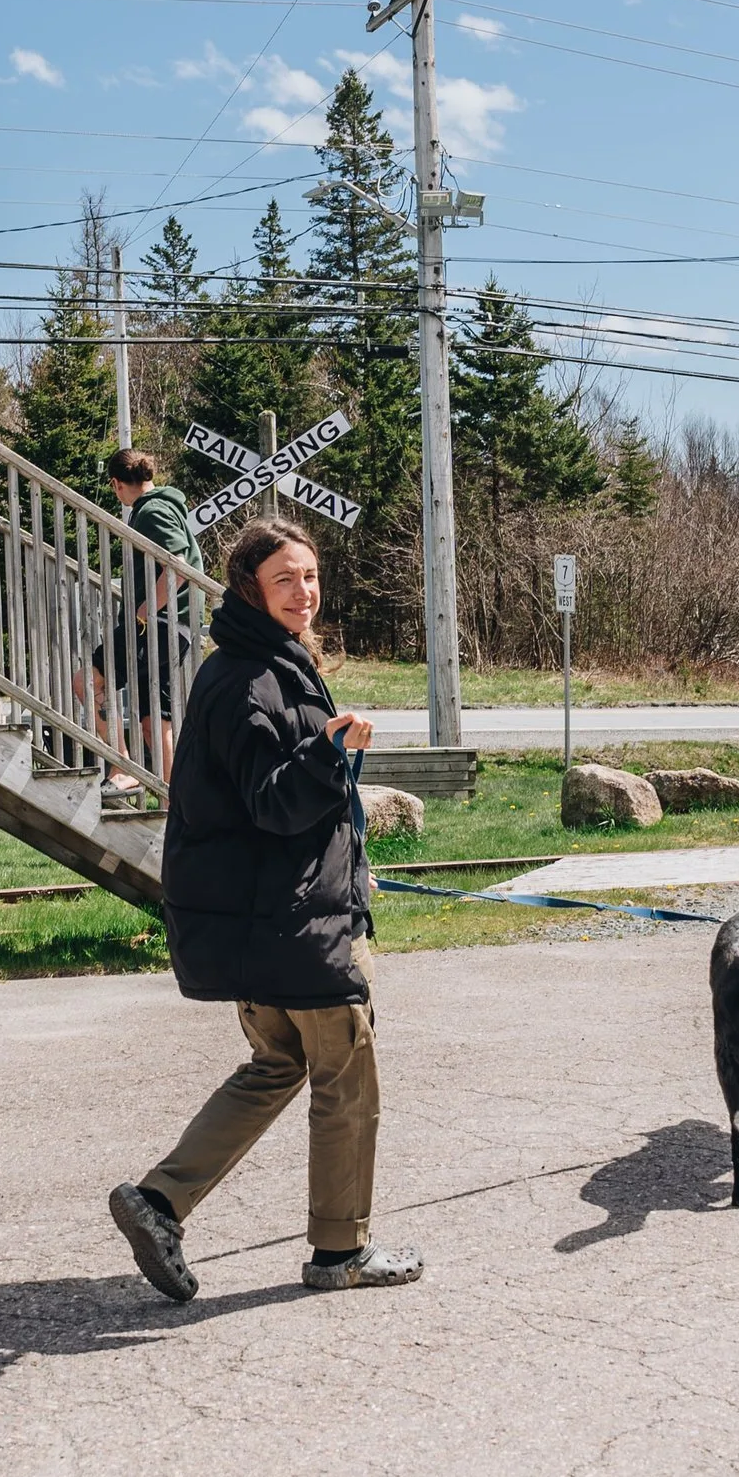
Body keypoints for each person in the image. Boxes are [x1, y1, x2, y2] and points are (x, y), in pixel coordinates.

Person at [108, 516, 423, 1302]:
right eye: (286, 579)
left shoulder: (261, 665)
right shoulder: (251, 681)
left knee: (279, 1063)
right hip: (292, 925)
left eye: (310, 577)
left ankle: (159, 1201)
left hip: (268, 923)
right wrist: (332, 753)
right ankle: (339, 1252)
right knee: (346, 1077)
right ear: (250, 587)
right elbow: (271, 802)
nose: (304, 593)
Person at [106, 444, 196, 783]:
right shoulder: (162, 506)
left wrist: (145, 608)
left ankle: (122, 767)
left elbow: (179, 566)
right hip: (171, 624)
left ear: (117, 483)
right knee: (154, 723)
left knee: (88, 682)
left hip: (158, 624)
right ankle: (175, 804)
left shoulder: (151, 510)